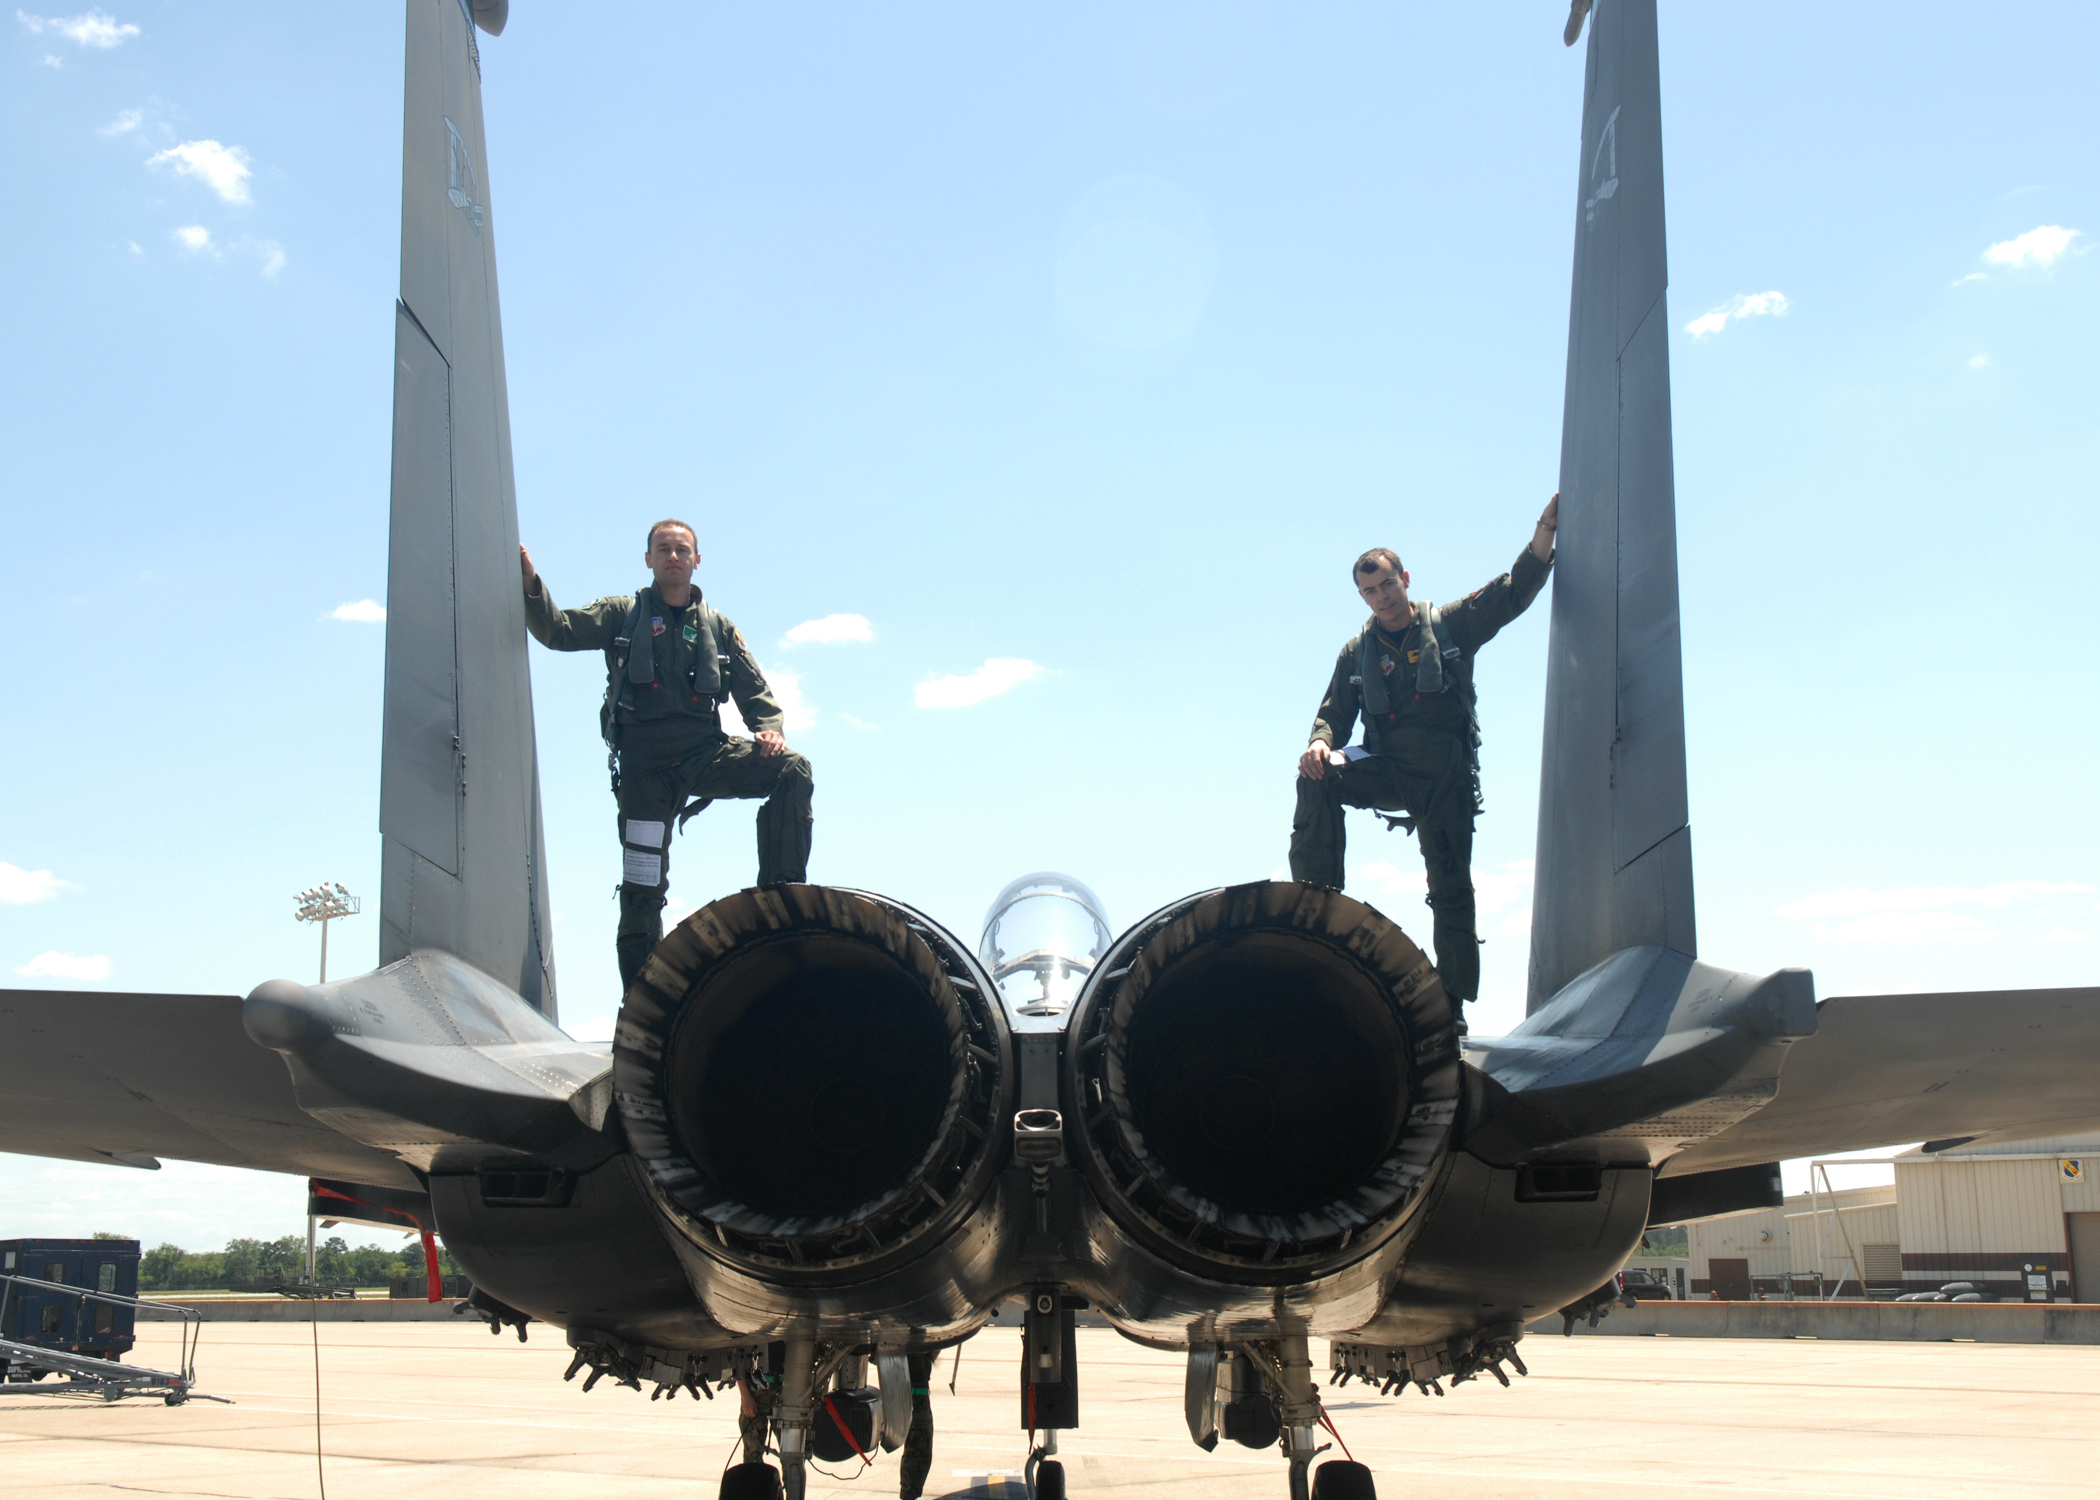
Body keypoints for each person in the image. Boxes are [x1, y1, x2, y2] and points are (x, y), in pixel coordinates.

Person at [1289, 496, 1557, 1011]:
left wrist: (1546, 529)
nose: (1382, 597)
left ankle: (1451, 1006)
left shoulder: (1449, 625)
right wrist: (1319, 744)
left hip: (1444, 780)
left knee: (1452, 889)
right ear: (1362, 597)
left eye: (1388, 584)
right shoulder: (1355, 654)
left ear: (1405, 578)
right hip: (1387, 771)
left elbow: (1513, 593)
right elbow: (1332, 717)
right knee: (1315, 774)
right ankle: (1318, 906)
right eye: (1370, 591)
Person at [520, 519, 813, 988]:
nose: (673, 557)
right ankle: (640, 999)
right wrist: (530, 582)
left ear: (697, 560)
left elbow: (757, 693)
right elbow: (558, 631)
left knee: (791, 769)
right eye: (663, 549)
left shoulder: (718, 627)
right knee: (641, 889)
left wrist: (768, 730)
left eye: (682, 550)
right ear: (648, 559)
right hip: (645, 773)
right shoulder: (622, 613)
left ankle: (779, 903)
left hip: (704, 755)